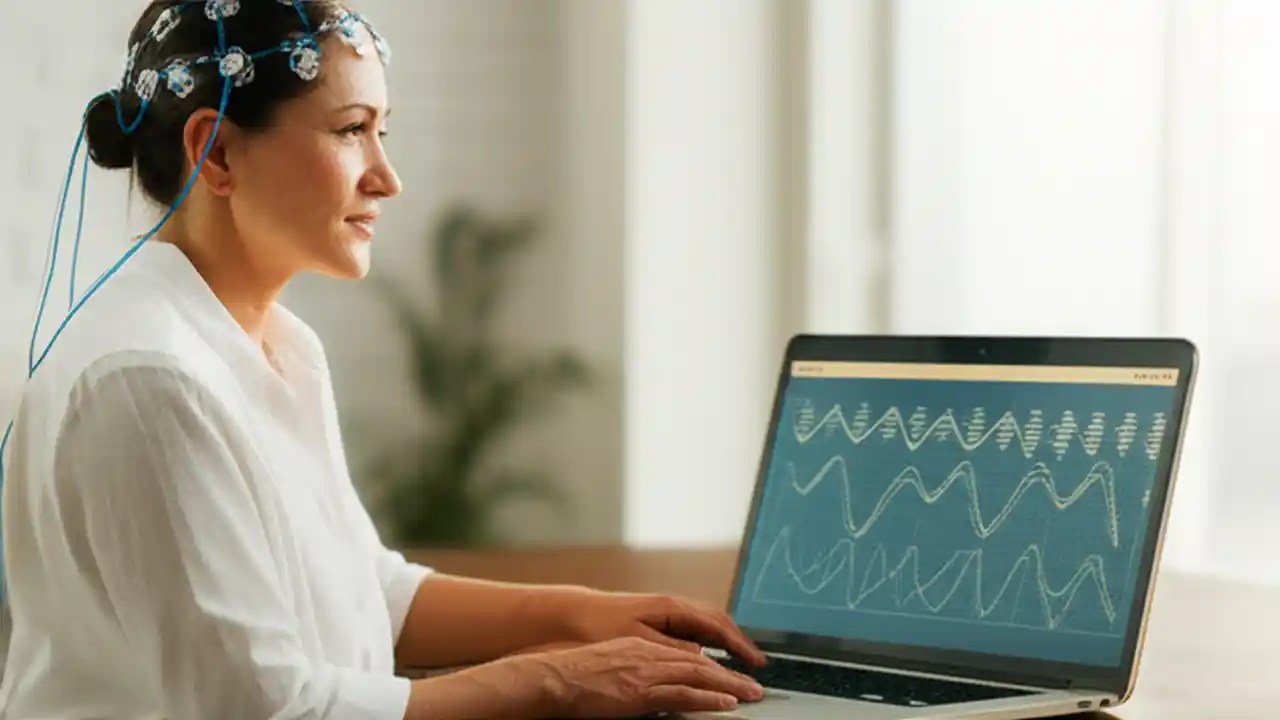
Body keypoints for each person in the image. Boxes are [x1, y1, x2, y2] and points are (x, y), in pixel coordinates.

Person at [0, 2, 767, 718]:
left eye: (382, 131)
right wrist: (553, 679)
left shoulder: (279, 345)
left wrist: (580, 613)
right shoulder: (147, 378)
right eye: (350, 130)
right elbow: (261, 705)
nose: (386, 177)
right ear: (218, 151)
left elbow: (365, 595)